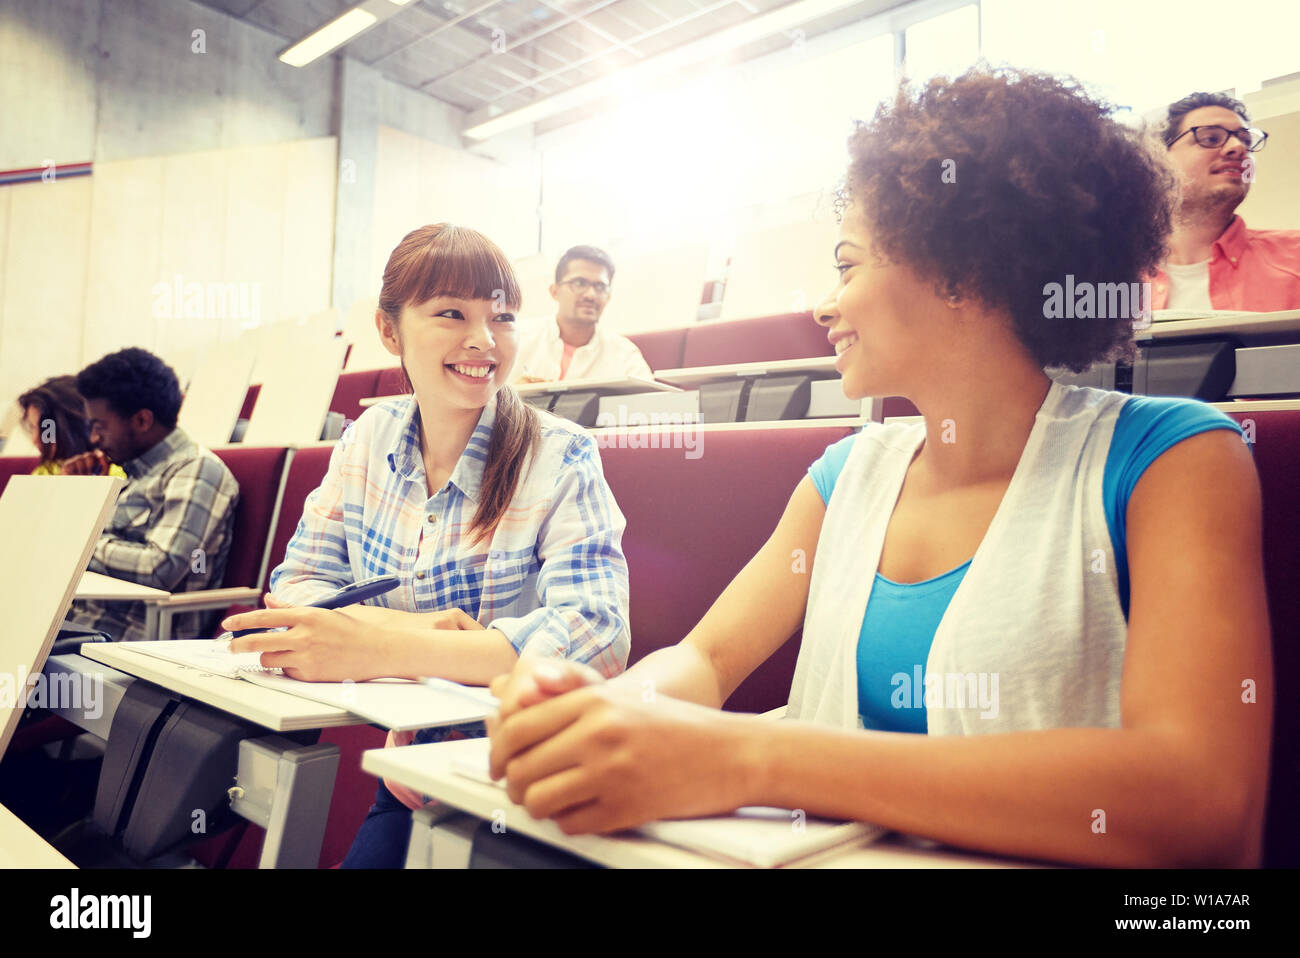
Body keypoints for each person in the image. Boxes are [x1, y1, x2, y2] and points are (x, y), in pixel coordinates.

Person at [485, 68, 1272, 868]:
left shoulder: (1176, 457)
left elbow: (1204, 805)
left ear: (959, 273)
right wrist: (598, 718)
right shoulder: (848, 472)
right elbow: (708, 660)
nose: (827, 305)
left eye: (848, 266)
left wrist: (754, 759)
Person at [220, 223, 631, 868]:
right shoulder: (368, 436)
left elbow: (599, 632)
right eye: (451, 313)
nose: (482, 340)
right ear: (390, 331)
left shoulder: (561, 453)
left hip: (528, 783)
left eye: (502, 317)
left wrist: (387, 644)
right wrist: (398, 628)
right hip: (414, 772)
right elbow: (297, 583)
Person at [64, 348, 239, 642]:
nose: (94, 439)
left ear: (142, 421)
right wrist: (76, 496)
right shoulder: (133, 472)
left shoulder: (195, 470)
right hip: (81, 626)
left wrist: (78, 540)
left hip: (126, 643)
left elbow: (159, 568)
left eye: (100, 426)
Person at [1153, 91, 1300, 311]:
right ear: (1160, 158)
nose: (1239, 148)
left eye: (1247, 141)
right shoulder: (1109, 275)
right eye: (1211, 138)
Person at [514, 245, 654, 383]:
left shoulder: (625, 354)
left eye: (600, 287)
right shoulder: (518, 338)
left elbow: (651, 402)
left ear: (609, 296)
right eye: (580, 283)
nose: (591, 295)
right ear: (555, 291)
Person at [17, 375, 125, 477]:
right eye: (33, 428)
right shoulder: (44, 470)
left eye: (45, 429)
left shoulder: (110, 469)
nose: (35, 439)